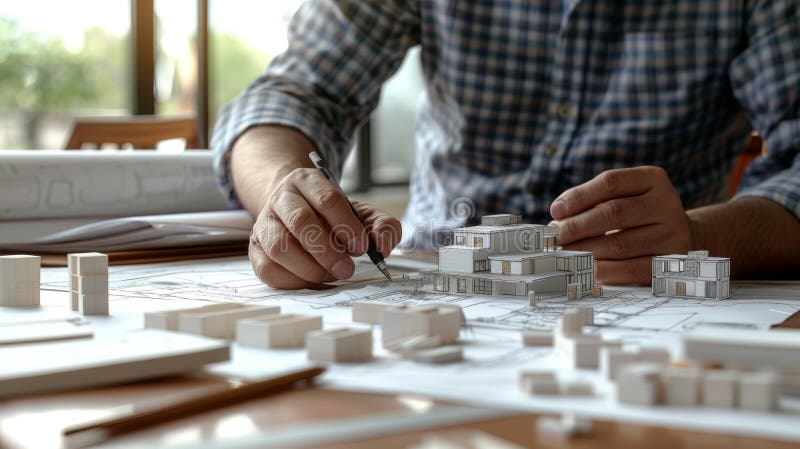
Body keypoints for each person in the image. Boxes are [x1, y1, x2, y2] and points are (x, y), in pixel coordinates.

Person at [212, 1, 800, 289]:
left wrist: (699, 239)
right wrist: (284, 190)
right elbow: (289, 95)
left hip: (652, 296)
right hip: (429, 279)